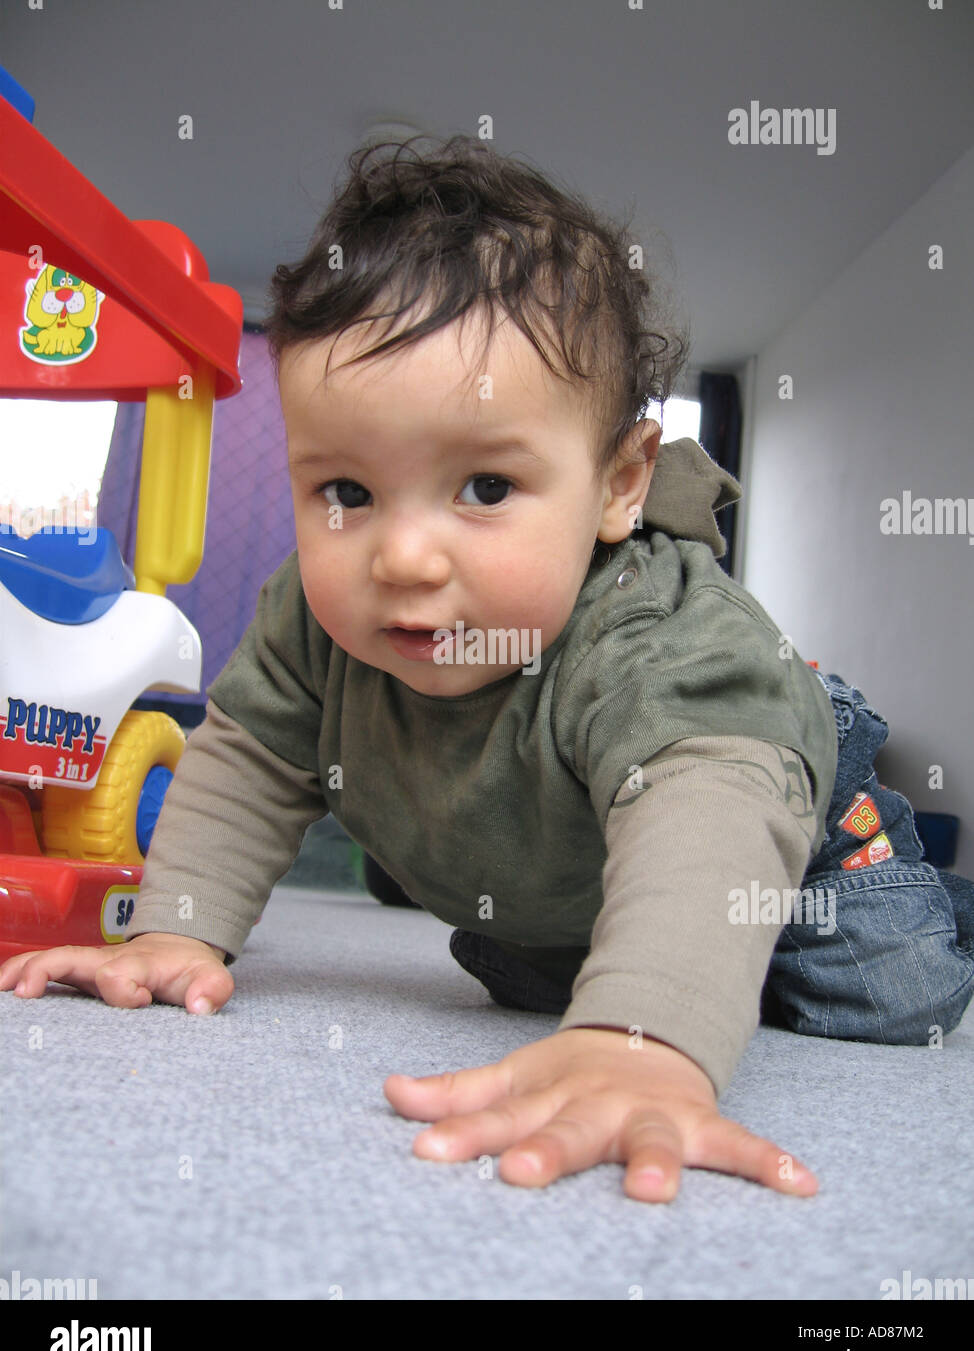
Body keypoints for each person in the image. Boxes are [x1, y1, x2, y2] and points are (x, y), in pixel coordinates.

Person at [3, 135, 972, 1205]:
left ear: (617, 484)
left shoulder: (651, 640)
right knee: (517, 976)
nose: (402, 558)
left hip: (775, 817)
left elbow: (706, 811)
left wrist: (641, 1037)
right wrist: (174, 929)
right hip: (561, 861)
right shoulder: (312, 622)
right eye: (347, 492)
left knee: (892, 993)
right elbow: (246, 754)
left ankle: (927, 891)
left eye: (483, 489)